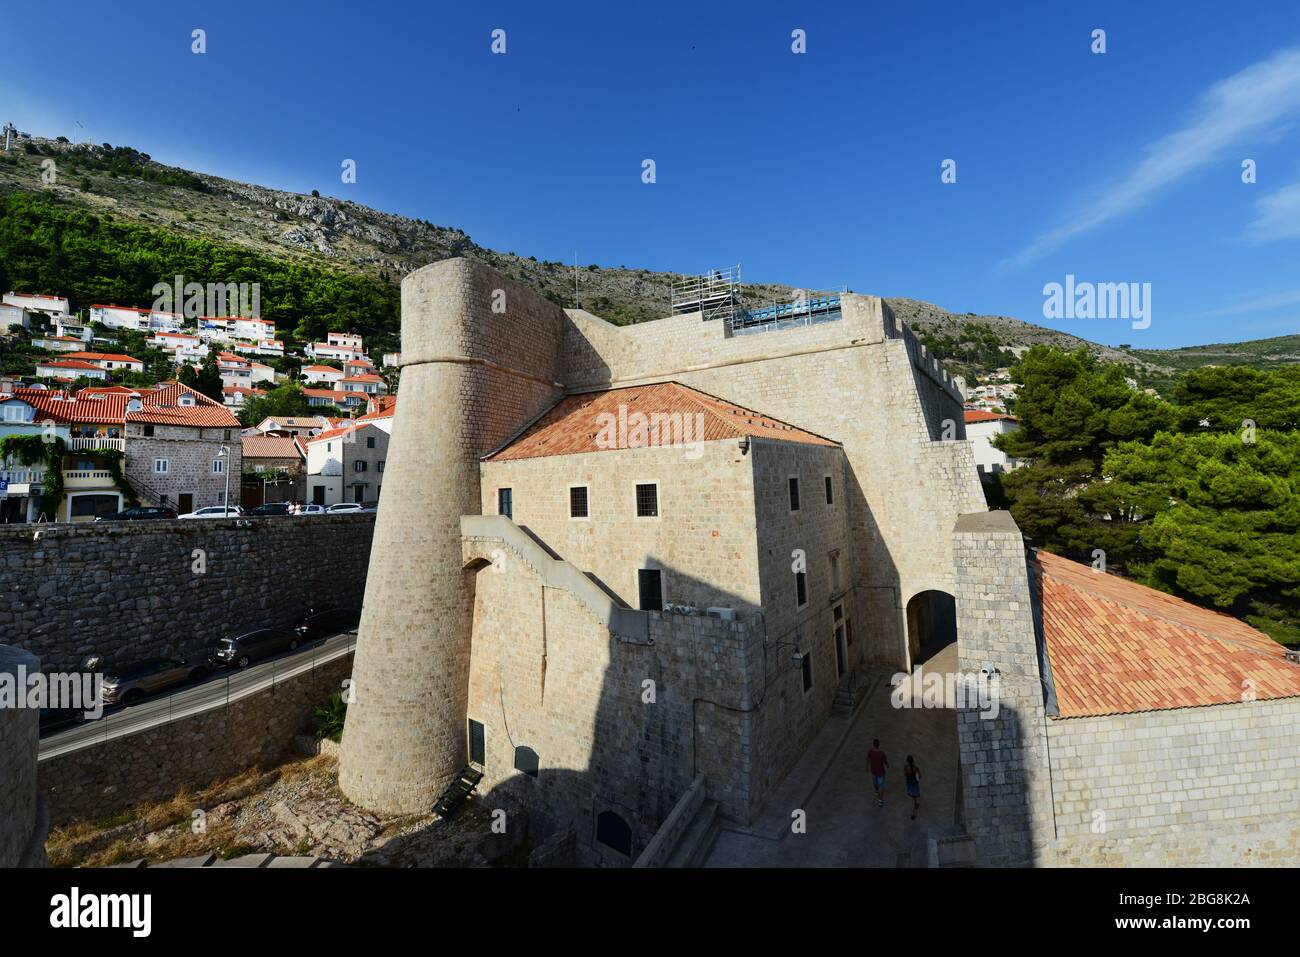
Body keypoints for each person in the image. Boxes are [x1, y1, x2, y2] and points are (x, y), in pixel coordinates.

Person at [867, 738, 889, 807]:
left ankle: (876, 791)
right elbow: (885, 761)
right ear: (879, 745)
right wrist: (887, 765)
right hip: (880, 772)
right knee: (882, 787)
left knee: (875, 782)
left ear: (873, 745)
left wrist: (866, 766)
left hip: (873, 771)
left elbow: (868, 759)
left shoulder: (870, 752)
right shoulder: (881, 753)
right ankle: (880, 801)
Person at [904, 755, 921, 820]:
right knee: (916, 797)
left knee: (913, 796)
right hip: (915, 784)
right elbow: (919, 776)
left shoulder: (905, 767)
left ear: (907, 761)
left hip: (909, 784)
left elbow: (905, 774)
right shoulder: (916, 768)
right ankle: (914, 813)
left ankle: (915, 803)